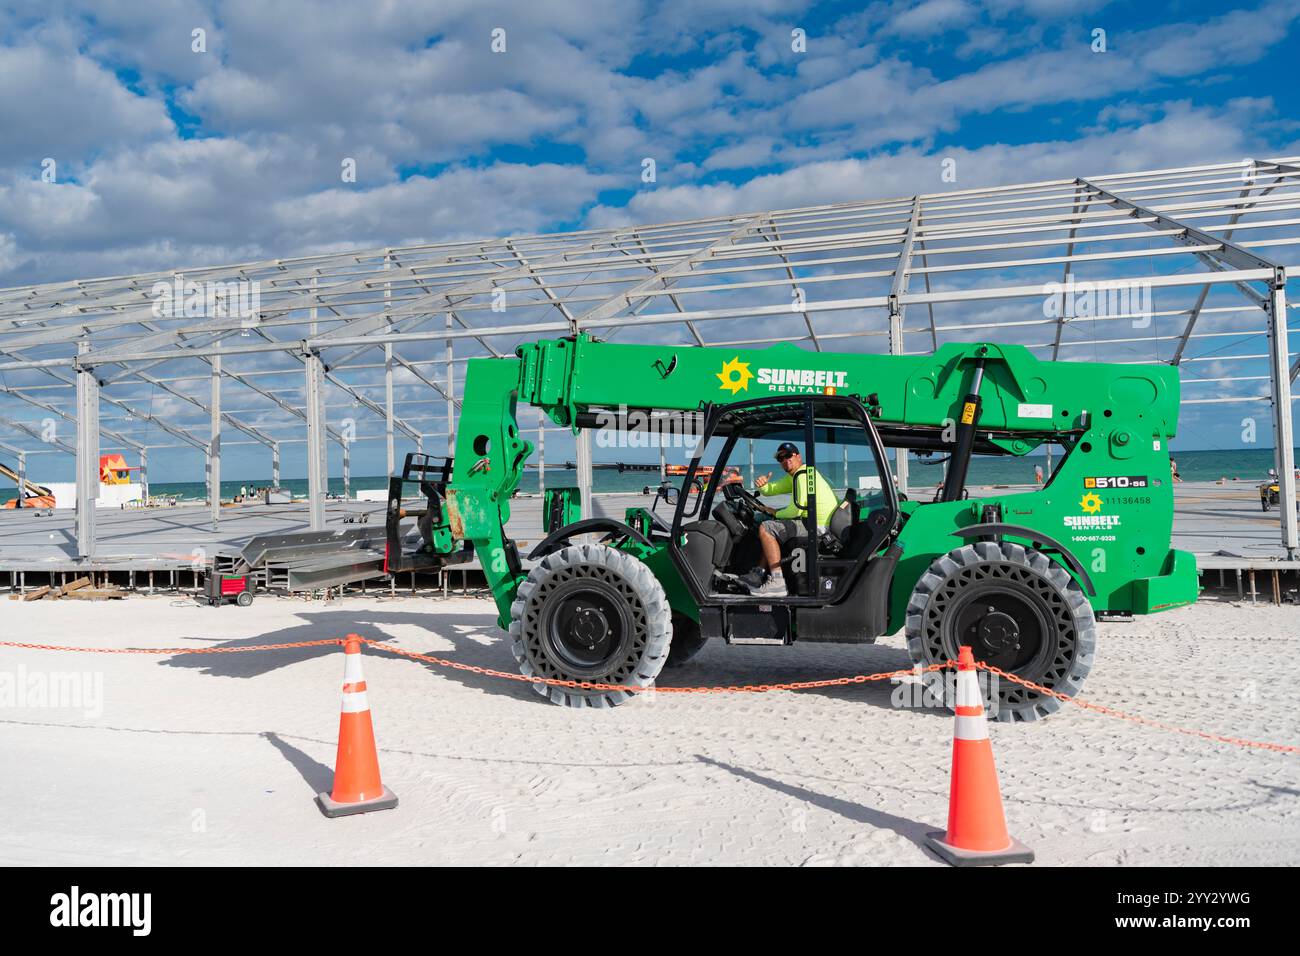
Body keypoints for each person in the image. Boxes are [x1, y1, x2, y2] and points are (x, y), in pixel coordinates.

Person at [742, 442, 837, 597]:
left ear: (798, 456)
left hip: (817, 526)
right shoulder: (796, 475)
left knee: (766, 528)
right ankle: (758, 574)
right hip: (814, 522)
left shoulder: (802, 475)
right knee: (770, 525)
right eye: (781, 458)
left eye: (788, 455)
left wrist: (775, 513)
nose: (785, 460)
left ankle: (777, 582)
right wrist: (763, 486)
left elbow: (796, 510)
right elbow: (773, 489)